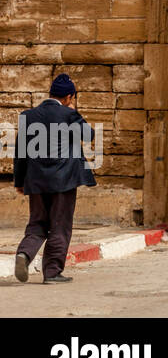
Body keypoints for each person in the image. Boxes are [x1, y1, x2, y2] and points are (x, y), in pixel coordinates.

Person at [13, 74, 97, 284]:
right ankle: (51, 272)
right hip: (64, 180)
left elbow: (20, 151)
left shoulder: (28, 116)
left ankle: (24, 253)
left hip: (36, 180)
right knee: (60, 224)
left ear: (50, 94)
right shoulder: (69, 114)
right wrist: (75, 116)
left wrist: (20, 182)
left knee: (37, 222)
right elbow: (89, 135)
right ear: (69, 96)